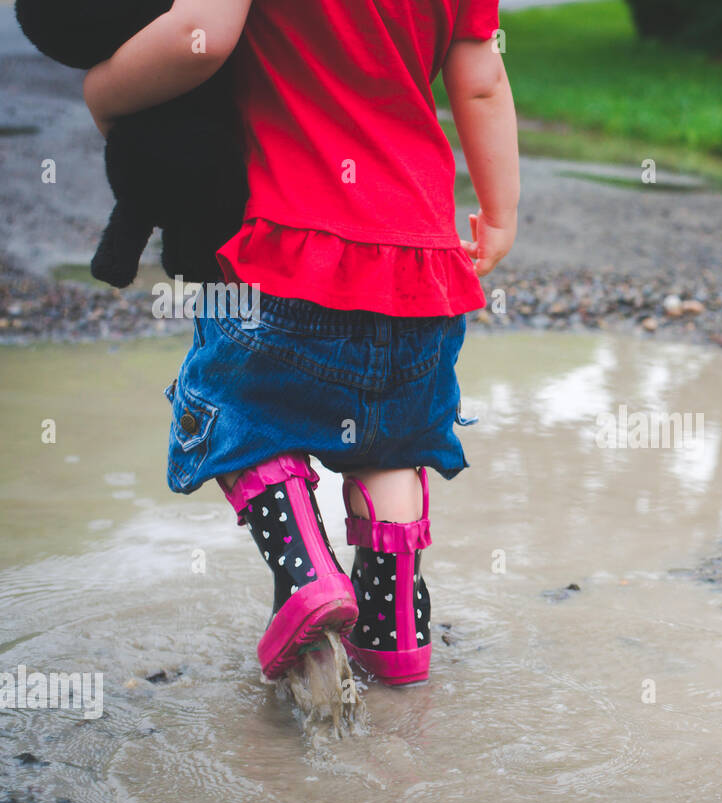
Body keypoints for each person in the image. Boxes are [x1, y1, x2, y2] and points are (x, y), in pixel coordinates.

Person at [83, 0, 519, 686]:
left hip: (289, 251)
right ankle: (394, 631)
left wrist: (103, 91)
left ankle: (305, 575)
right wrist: (499, 213)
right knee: (389, 444)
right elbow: (483, 81)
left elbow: (202, 39)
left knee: (232, 408)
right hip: (421, 266)